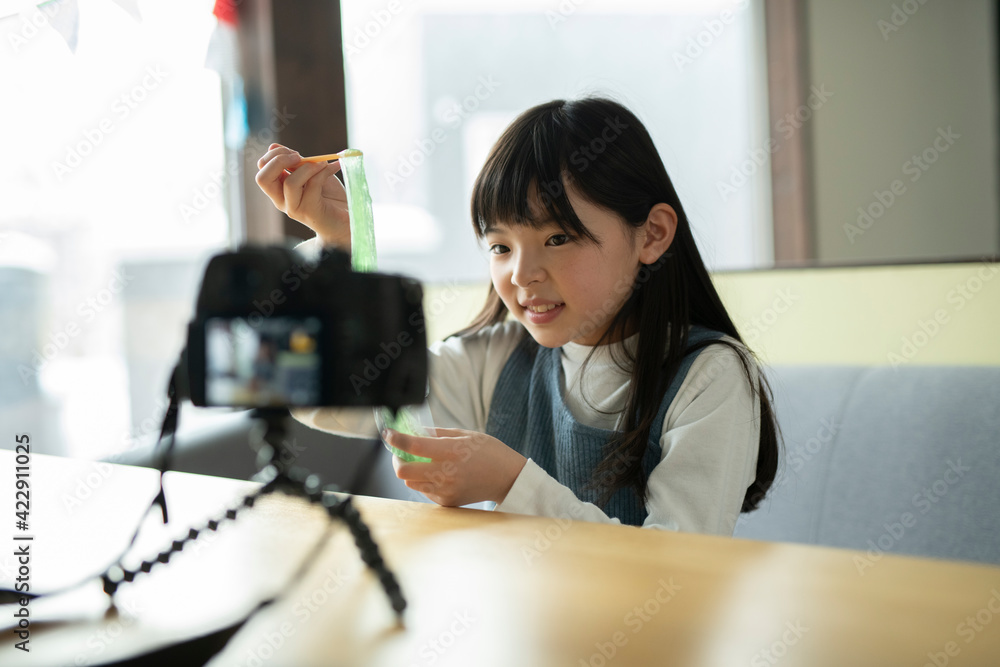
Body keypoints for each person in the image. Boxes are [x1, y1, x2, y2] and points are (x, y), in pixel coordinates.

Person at [254, 97, 779, 535]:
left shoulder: (709, 376)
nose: (522, 274)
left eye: (557, 238)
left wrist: (511, 483)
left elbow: (680, 568)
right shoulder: (494, 358)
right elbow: (313, 394)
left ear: (653, 234)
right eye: (500, 246)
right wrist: (337, 250)